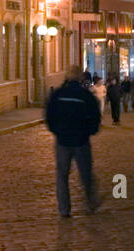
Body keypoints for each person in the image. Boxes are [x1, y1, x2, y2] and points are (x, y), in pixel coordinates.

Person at [44, 65, 102, 219]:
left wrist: (56, 131)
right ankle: (91, 203)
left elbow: (49, 115)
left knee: (62, 176)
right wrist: (90, 131)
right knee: (86, 174)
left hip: (63, 141)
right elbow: (95, 116)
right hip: (81, 141)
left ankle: (64, 209)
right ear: (80, 77)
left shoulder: (58, 94)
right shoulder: (85, 95)